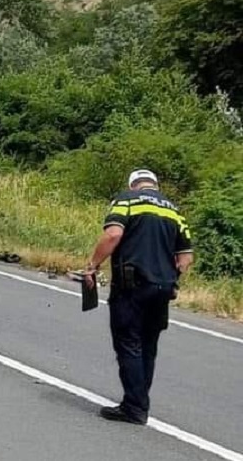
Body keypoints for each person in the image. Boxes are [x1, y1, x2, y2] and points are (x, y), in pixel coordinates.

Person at [84, 169, 193, 426]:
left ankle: (134, 407)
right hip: (163, 287)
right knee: (148, 345)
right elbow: (185, 258)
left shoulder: (126, 200)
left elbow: (113, 234)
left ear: (133, 185)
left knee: (129, 342)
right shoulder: (174, 211)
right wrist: (171, 277)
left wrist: (92, 265)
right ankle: (139, 402)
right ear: (156, 185)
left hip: (132, 285)